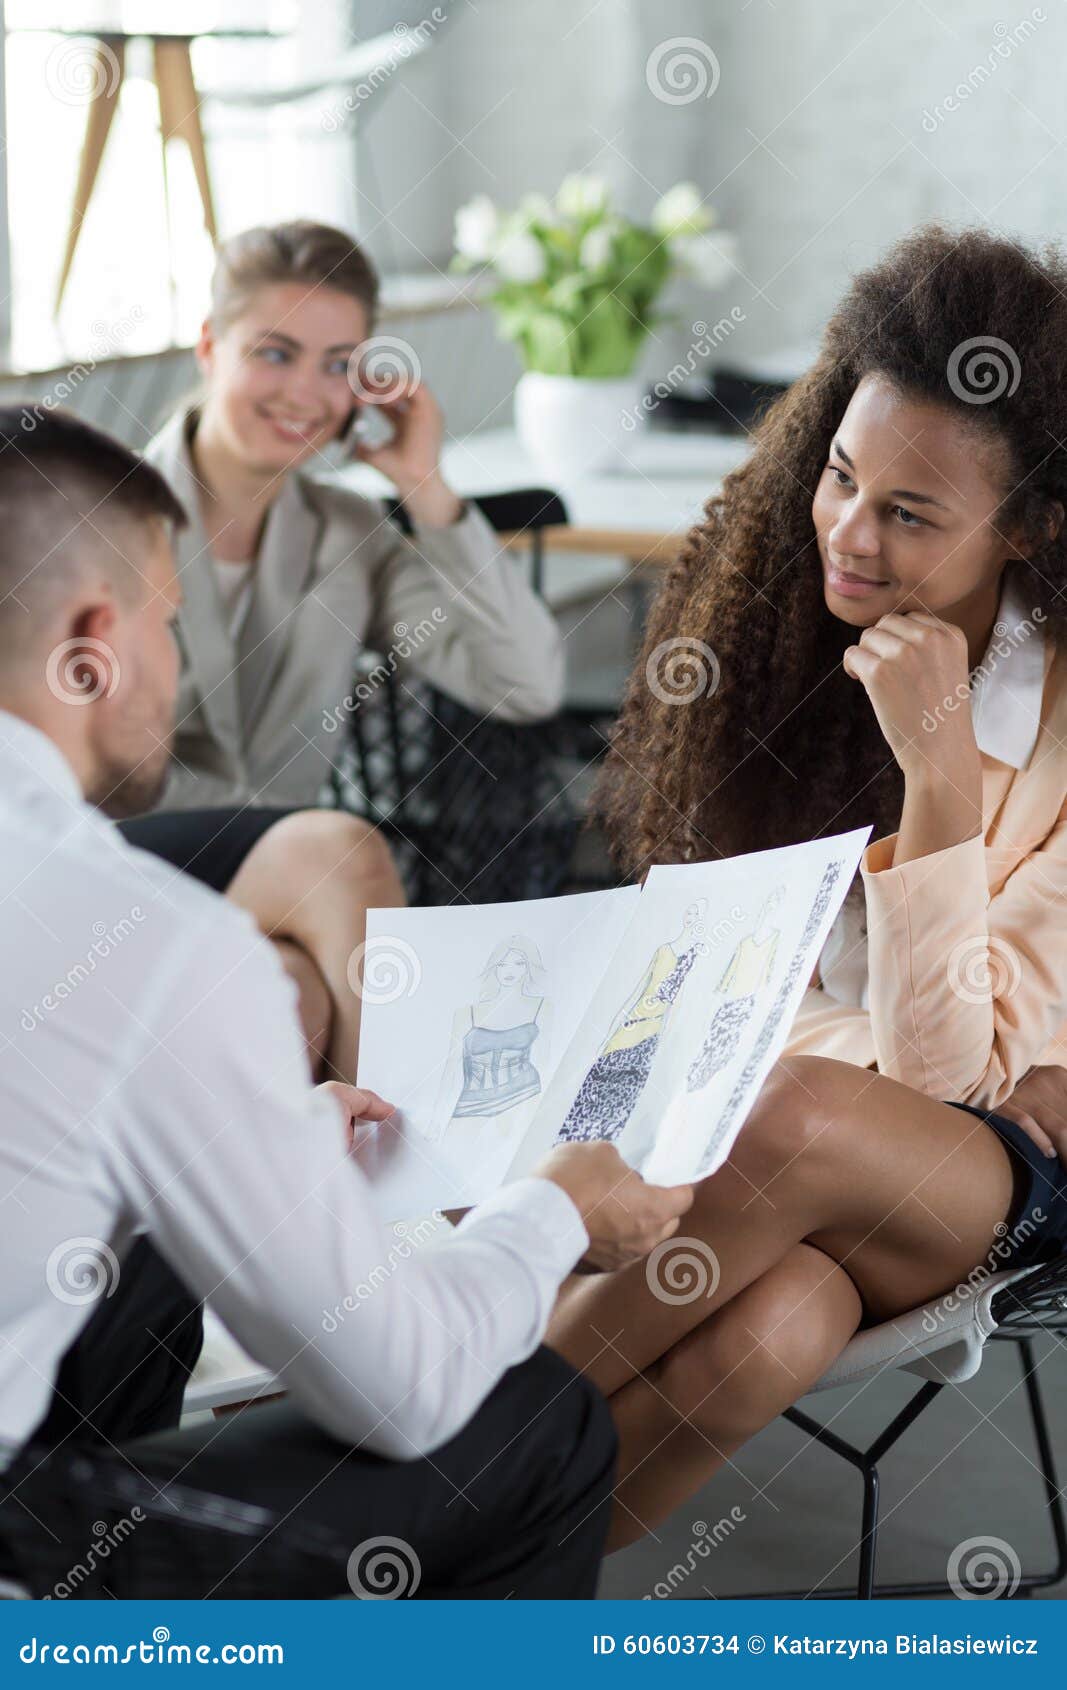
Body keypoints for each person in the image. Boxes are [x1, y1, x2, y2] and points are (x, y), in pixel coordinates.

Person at [0, 406, 692, 1597]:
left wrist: (259, 1141)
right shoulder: (155, 942)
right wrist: (550, 1212)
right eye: (168, 621)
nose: (176, 662)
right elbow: (405, 1392)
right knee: (536, 1422)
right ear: (93, 638)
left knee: (158, 1238)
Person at [545, 226, 1067, 1548]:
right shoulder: (772, 632)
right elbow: (725, 967)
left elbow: (943, 1089)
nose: (844, 531)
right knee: (775, 1327)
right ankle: (459, 1594)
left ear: (1028, 528)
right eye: (839, 475)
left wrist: (939, 782)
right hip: (775, 1161)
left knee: (793, 1111)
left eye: (907, 514)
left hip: (974, 1175)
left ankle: (422, 1453)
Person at [121, 219, 567, 1083]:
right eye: (275, 352)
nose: (305, 393)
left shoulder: (346, 537)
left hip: (262, 903)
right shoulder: (97, 513)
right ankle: (413, 1207)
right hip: (115, 883)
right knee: (339, 850)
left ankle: (311, 1209)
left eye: (338, 365)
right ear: (210, 345)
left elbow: (526, 681)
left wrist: (424, 486)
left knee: (297, 1008)